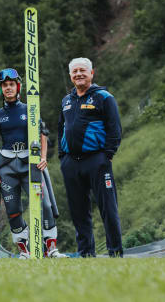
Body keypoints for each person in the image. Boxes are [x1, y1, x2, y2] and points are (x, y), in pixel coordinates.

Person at [0, 68, 63, 258]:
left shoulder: (30, 109)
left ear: (17, 86)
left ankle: (51, 248)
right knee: (13, 209)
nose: (8, 88)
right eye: (4, 85)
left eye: (11, 84)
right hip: (7, 166)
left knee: (44, 204)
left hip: (30, 163)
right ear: (0, 89)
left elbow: (43, 134)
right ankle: (24, 250)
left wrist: (43, 157)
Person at [58, 57, 123, 258]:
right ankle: (86, 253)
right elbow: (61, 128)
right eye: (75, 71)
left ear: (91, 73)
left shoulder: (104, 97)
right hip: (71, 163)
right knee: (78, 211)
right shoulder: (66, 101)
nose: (78, 74)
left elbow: (115, 129)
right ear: (70, 76)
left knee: (108, 208)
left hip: (97, 161)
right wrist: (62, 157)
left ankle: (115, 252)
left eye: (82, 70)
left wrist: (107, 155)